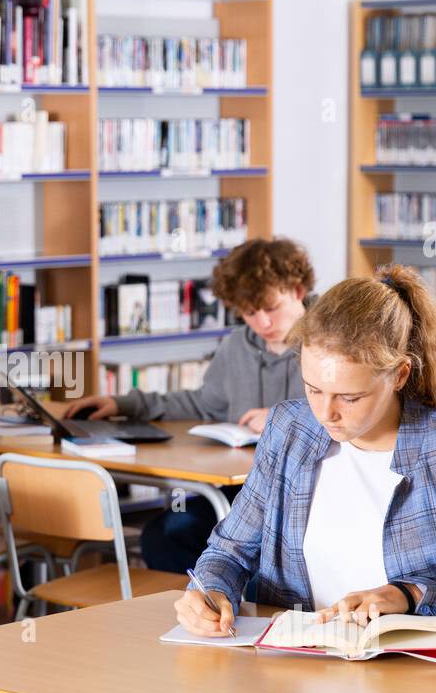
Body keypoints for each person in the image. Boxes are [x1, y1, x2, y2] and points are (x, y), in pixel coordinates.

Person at [173, 265, 436, 644]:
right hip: (301, 677)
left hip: (433, 687)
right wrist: (211, 590)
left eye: (350, 397)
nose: (326, 413)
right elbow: (230, 550)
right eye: (313, 389)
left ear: (400, 375)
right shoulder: (289, 430)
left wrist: (414, 597)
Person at [65, 237, 316, 574]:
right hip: (239, 492)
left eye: (271, 308)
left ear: (297, 290)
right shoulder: (237, 346)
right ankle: (201, 615)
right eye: (250, 313)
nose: (262, 323)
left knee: (261, 550)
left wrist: (283, 418)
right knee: (164, 534)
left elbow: (355, 412)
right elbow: (202, 403)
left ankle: (252, 611)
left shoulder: (332, 340)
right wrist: (122, 403)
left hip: (305, 493)